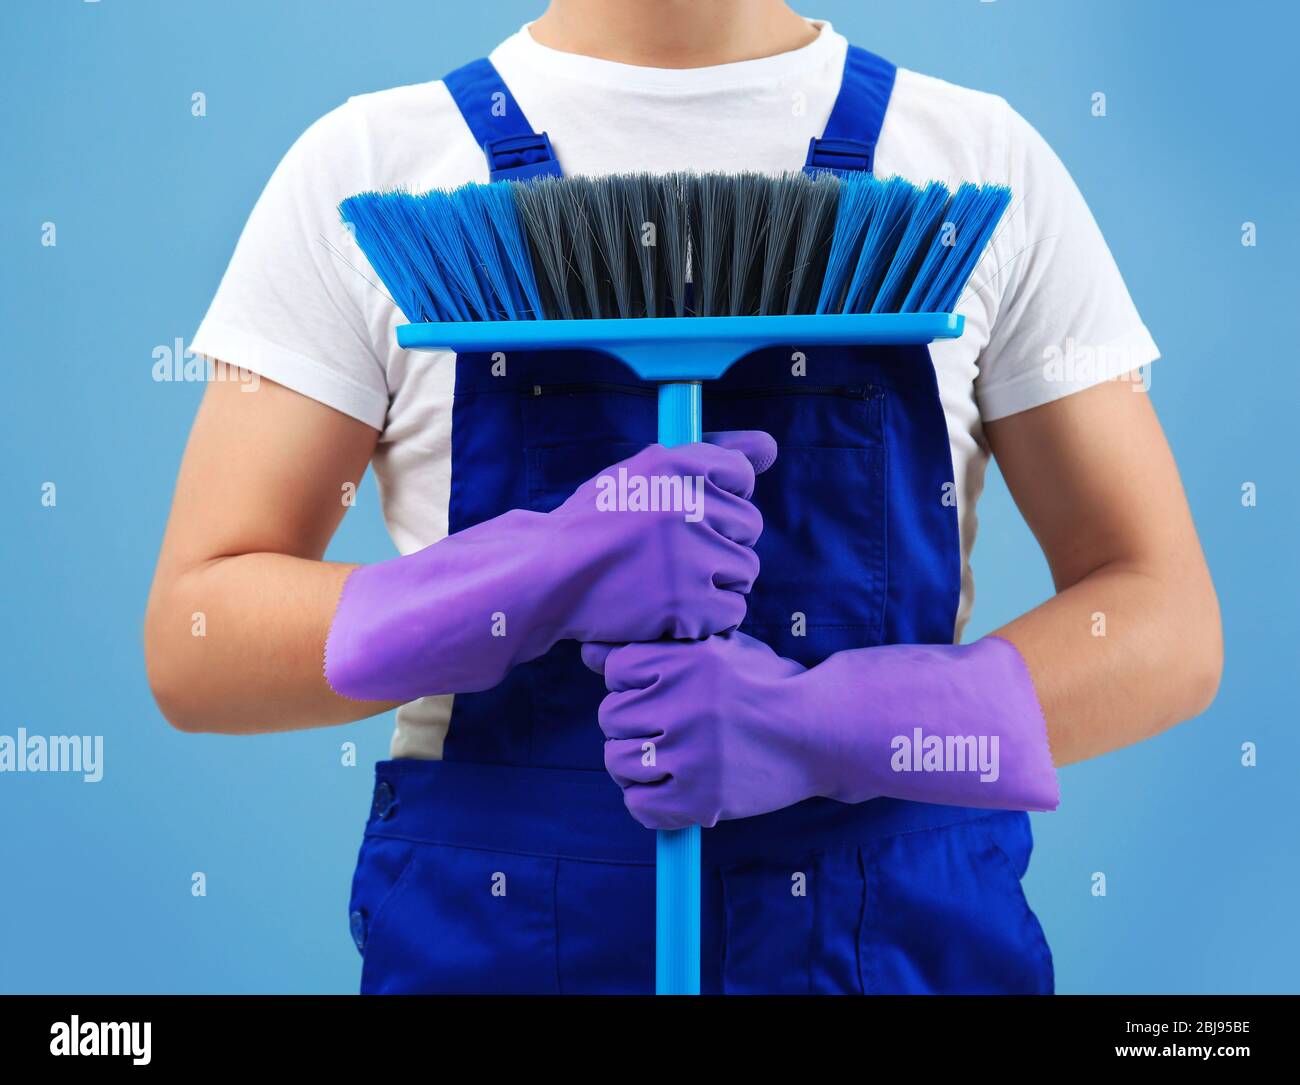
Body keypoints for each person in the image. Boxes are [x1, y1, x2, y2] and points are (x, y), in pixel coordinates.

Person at [145, 0, 1221, 994]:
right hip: (495, 946)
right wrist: (532, 575)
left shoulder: (975, 168)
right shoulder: (374, 166)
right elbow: (199, 644)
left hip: (896, 947)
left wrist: (828, 726)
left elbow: (1164, 620)